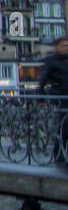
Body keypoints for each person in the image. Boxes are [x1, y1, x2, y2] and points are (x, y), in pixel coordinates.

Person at [39, 36, 68, 164]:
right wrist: (41, 97)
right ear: (56, 47)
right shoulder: (52, 61)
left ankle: (61, 152)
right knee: (63, 126)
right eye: (64, 45)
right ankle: (59, 153)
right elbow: (43, 80)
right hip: (61, 98)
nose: (66, 48)